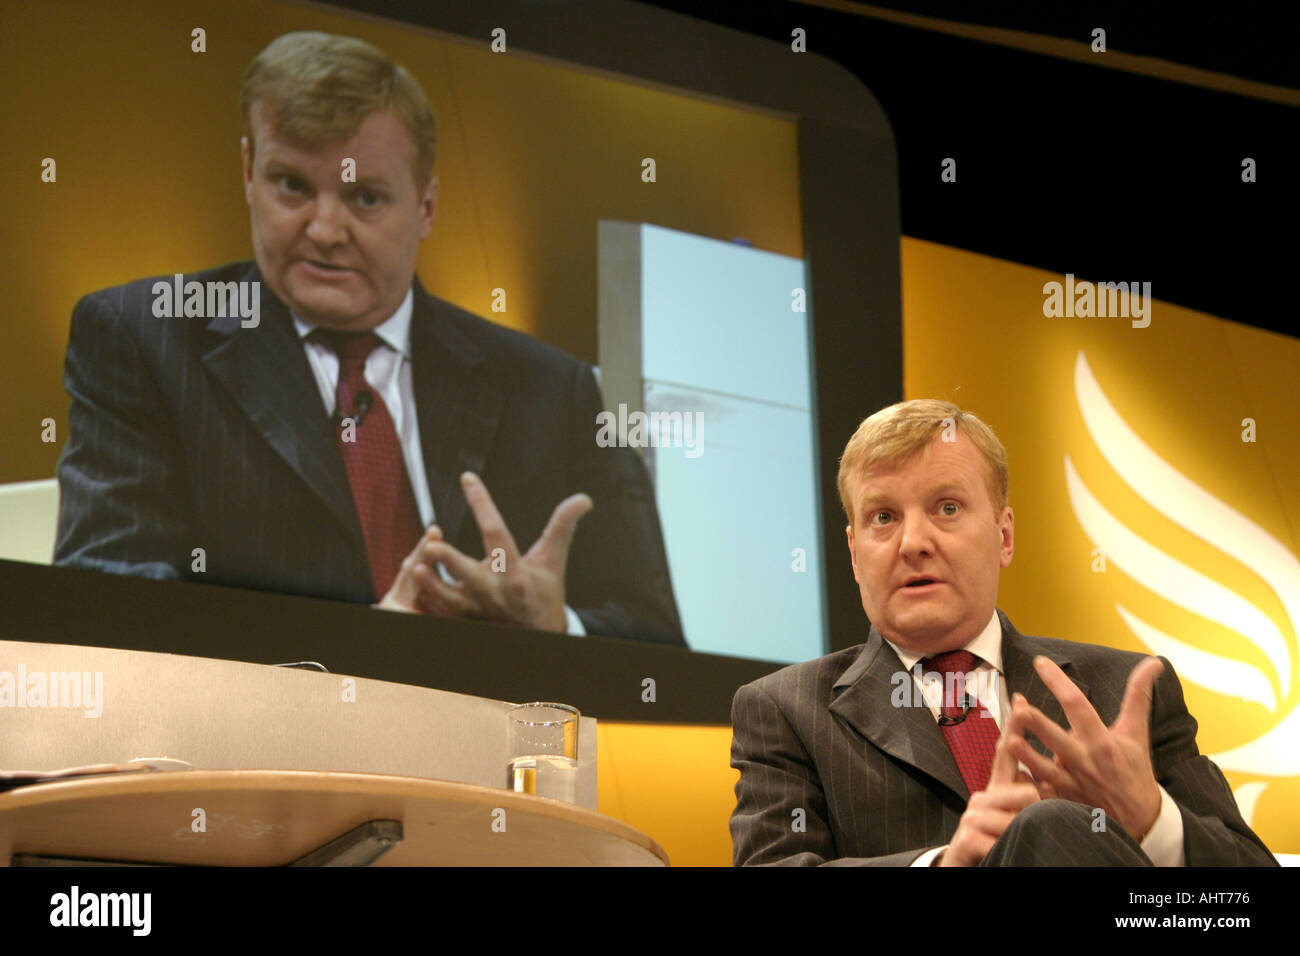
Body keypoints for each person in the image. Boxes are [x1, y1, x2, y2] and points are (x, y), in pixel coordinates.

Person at [54, 31, 684, 647]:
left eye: (365, 197)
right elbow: (107, 603)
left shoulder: (551, 388)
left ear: (428, 208)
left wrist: (557, 631)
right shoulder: (146, 339)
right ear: (248, 171)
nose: (326, 229)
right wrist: (356, 652)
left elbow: (658, 641)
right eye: (293, 186)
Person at [729, 399, 1276, 865]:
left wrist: (1152, 822)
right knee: (1047, 825)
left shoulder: (1128, 687)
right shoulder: (786, 710)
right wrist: (945, 864)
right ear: (853, 553)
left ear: (1004, 536)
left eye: (947, 507)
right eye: (883, 517)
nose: (913, 541)